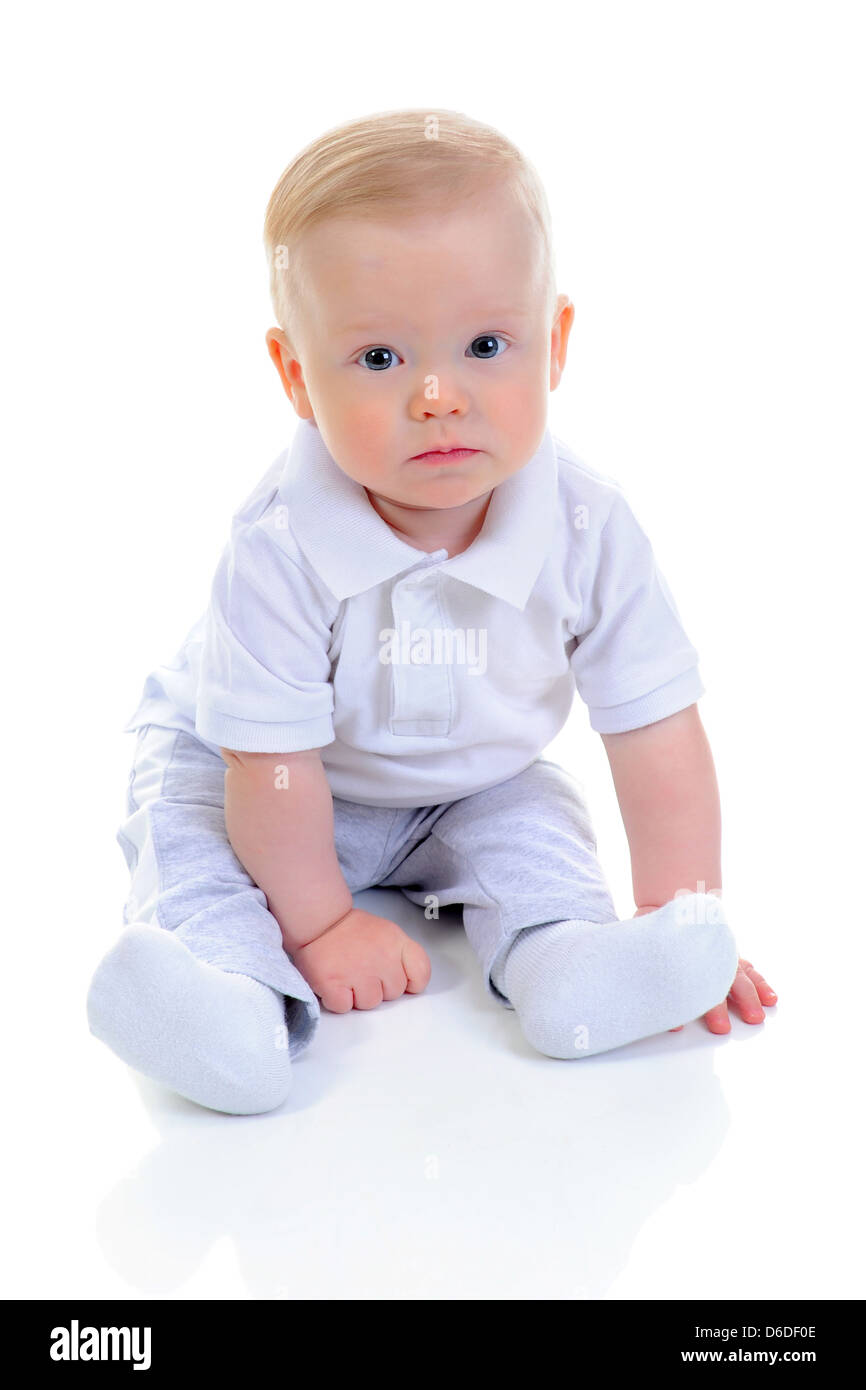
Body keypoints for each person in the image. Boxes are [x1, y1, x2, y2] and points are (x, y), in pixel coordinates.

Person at [86, 108, 776, 1115]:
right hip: (255, 764)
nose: (438, 395)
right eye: (378, 360)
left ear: (555, 344)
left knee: (537, 825)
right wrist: (320, 926)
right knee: (190, 838)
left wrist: (685, 913)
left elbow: (651, 723)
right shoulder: (277, 544)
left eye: (486, 343)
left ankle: (571, 962)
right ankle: (226, 1002)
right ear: (295, 377)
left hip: (471, 776)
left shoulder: (584, 521)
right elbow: (265, 764)